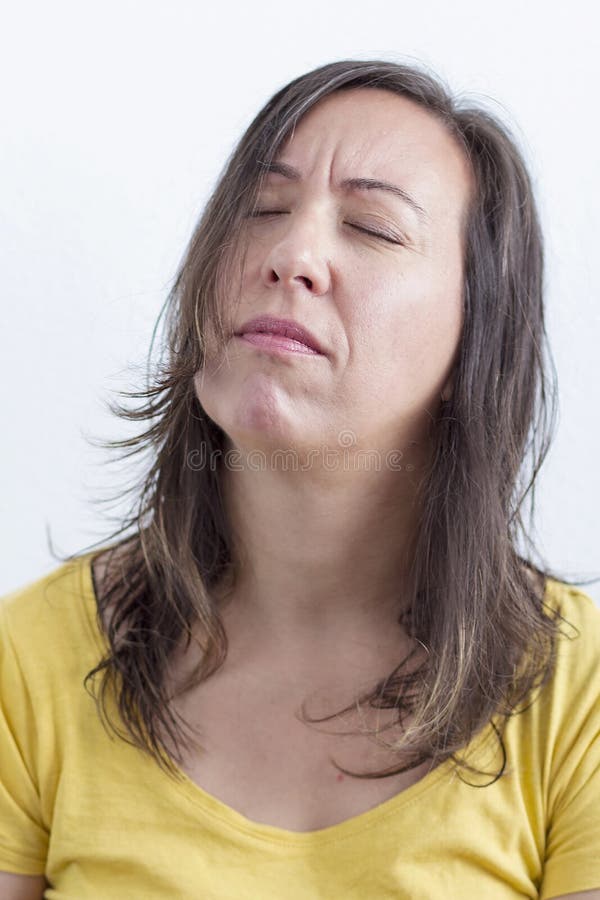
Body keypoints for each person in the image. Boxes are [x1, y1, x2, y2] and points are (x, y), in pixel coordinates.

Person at [1, 58, 599, 900]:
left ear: (478, 341)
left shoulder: (581, 699)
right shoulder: (25, 662)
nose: (291, 254)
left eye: (374, 228)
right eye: (262, 210)